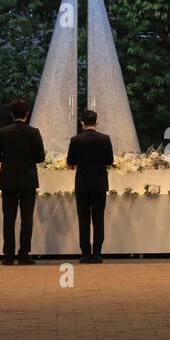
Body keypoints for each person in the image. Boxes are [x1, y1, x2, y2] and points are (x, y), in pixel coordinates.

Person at [0, 99, 45, 266]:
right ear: (27, 114)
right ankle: (24, 254)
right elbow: (40, 157)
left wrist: (7, 159)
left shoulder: (2, 132)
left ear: (11, 113)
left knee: (8, 218)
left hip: (8, 179)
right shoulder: (34, 132)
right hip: (28, 179)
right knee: (26, 218)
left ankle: (8, 255)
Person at [66, 110, 114, 263]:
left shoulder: (76, 140)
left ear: (82, 123)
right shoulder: (105, 139)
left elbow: (71, 161)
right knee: (98, 219)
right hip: (100, 184)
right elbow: (110, 161)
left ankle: (86, 254)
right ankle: (98, 254)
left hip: (82, 184)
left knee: (84, 219)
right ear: (96, 122)